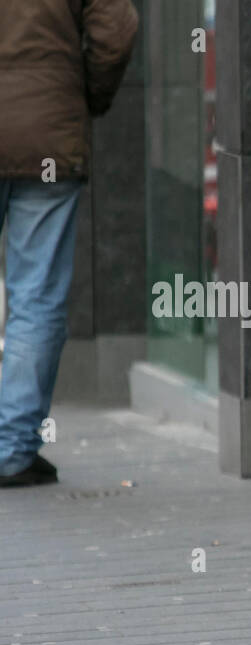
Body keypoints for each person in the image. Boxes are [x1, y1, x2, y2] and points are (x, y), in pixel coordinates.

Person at [0, 0, 139, 487]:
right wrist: (86, 95)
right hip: (47, 132)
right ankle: (11, 450)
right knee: (36, 297)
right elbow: (116, 27)